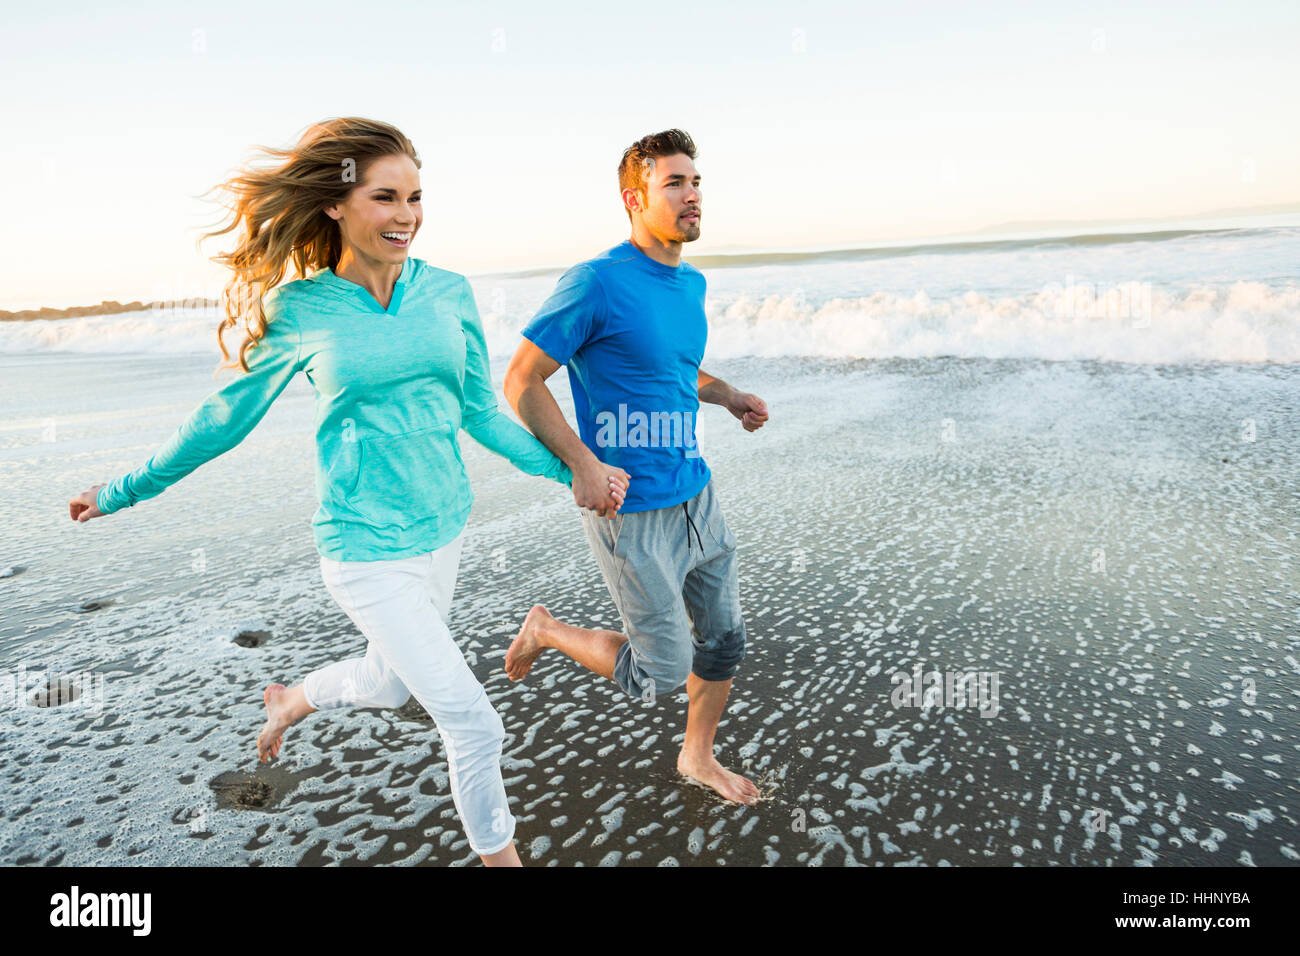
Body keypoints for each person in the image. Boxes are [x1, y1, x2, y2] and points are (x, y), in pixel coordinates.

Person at [66, 117, 628, 866]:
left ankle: (291, 699)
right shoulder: (299, 312)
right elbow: (221, 422)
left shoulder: (448, 293)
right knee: (472, 723)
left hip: (442, 532)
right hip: (363, 549)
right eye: (385, 198)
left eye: (416, 198)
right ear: (335, 203)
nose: (407, 217)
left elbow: (477, 411)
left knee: (388, 684)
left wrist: (574, 469)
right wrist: (123, 490)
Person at [501, 129, 769, 804]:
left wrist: (729, 396)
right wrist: (583, 465)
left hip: (697, 496)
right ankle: (547, 630)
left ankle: (697, 758)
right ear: (634, 197)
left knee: (725, 642)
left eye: (697, 181)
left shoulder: (691, 283)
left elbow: (673, 370)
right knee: (661, 673)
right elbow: (523, 381)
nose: (692, 195)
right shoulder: (596, 282)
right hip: (632, 512)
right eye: (674, 183)